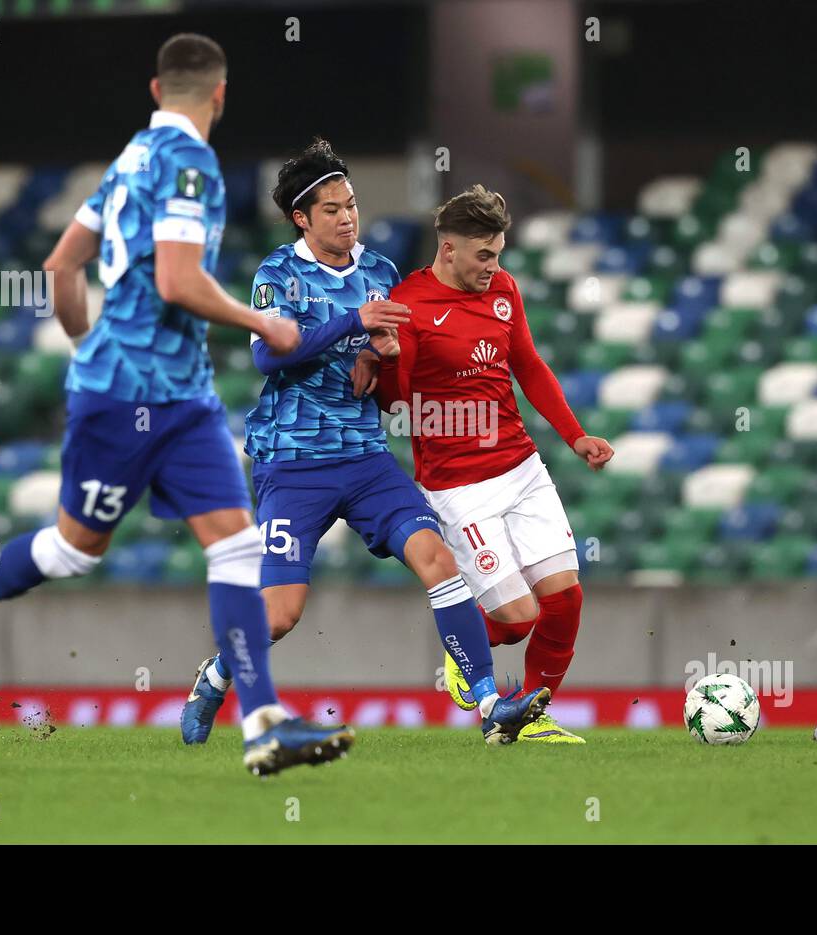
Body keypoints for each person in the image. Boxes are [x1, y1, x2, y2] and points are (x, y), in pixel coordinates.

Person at [0, 33, 349, 777]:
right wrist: (264, 321)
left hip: (182, 399)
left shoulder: (127, 162)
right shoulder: (189, 163)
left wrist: (87, 346)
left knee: (238, 545)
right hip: (126, 397)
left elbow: (61, 266)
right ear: (219, 94)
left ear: (157, 91)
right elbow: (179, 281)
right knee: (72, 552)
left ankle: (264, 721)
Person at [178, 141, 551, 748]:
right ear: (303, 219)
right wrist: (354, 326)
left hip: (366, 456)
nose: (348, 217)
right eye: (331, 209)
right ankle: (215, 675)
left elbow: (394, 366)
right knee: (280, 613)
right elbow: (267, 353)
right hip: (293, 462)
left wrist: (384, 361)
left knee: (437, 559)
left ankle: (488, 704)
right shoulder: (278, 274)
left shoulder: (380, 272)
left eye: (351, 204)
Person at [369, 185, 614, 744]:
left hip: (522, 467)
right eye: (484, 255)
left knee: (566, 599)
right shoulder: (409, 305)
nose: (494, 266)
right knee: (518, 618)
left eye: (499, 253)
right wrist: (386, 362)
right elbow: (392, 404)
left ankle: (529, 719)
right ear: (448, 249)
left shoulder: (503, 290)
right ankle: (468, 652)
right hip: (457, 487)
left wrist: (575, 437)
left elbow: (528, 364)